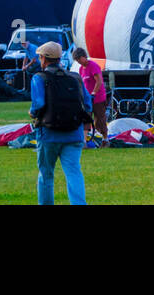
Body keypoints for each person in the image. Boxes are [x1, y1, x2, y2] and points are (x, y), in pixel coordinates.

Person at [29, 41, 91, 205]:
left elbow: (38, 104)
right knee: (74, 173)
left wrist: (32, 112)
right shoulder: (75, 78)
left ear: (43, 58)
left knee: (46, 175)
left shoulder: (39, 78)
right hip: (74, 134)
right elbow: (88, 103)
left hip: (48, 135)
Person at [73, 47, 107, 138]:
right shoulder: (81, 69)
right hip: (87, 99)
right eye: (76, 60)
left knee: (100, 119)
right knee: (86, 118)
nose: (78, 61)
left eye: (79, 59)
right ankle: (85, 140)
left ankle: (105, 139)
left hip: (98, 98)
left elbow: (99, 81)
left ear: (84, 56)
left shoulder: (93, 66)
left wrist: (93, 93)